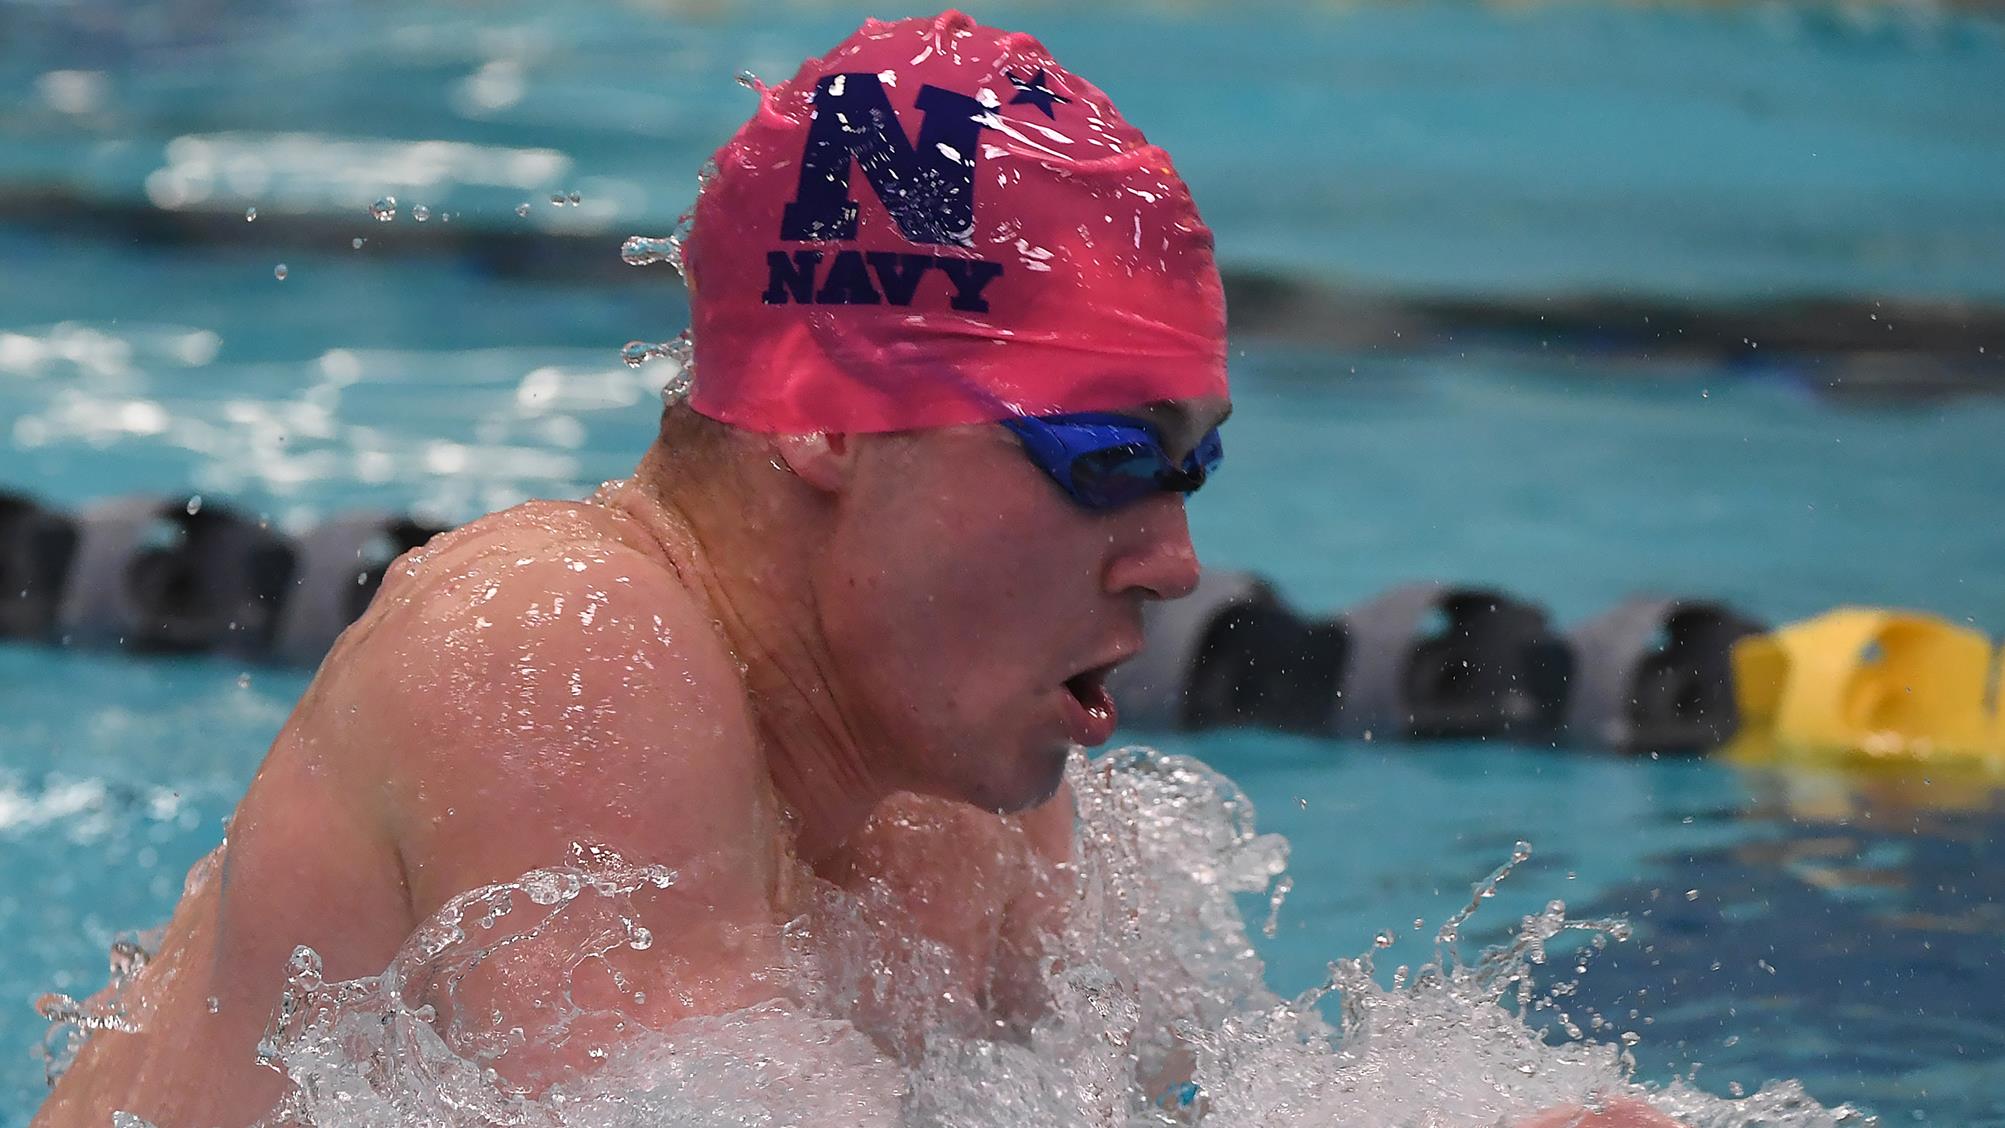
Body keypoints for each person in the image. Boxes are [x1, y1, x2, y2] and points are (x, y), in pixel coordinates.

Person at [34, 13, 1678, 1127]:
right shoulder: (547, 639)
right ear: (826, 416)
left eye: (1192, 464)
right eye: (1104, 460)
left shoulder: (952, 775)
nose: (1174, 561)